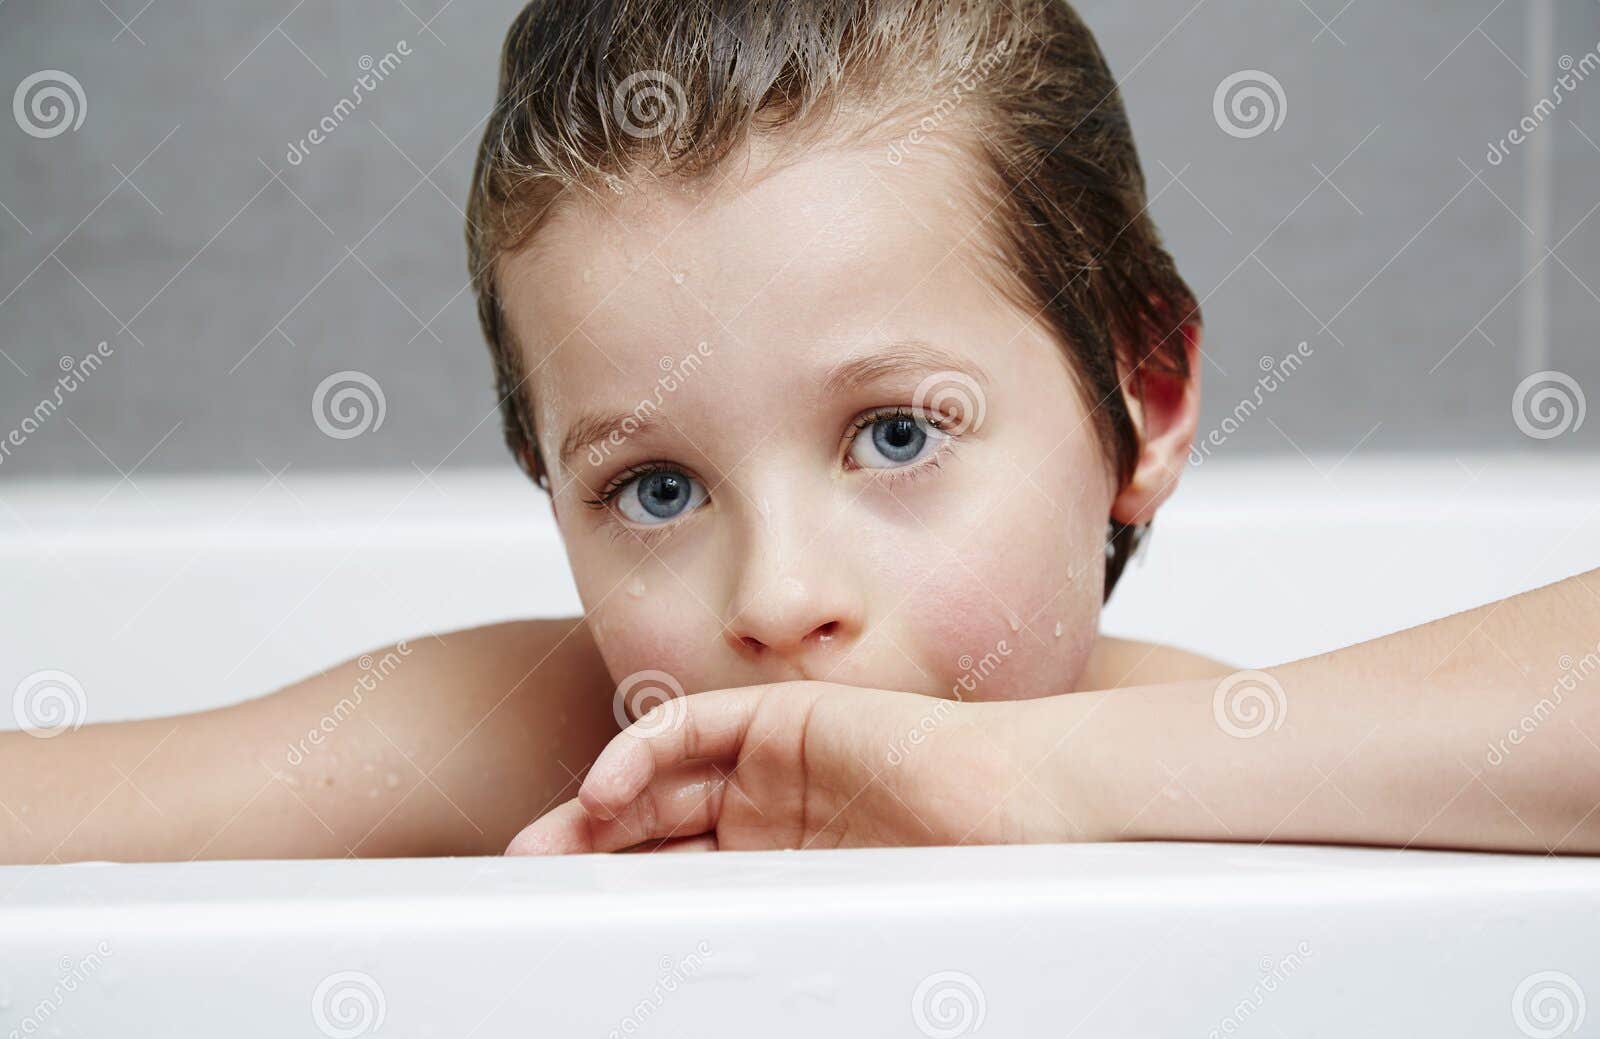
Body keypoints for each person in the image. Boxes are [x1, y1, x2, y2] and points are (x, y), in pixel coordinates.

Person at [3, 0, 1594, 863]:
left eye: (896, 437)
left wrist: (1032, 781)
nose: (774, 598)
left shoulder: (1231, 780)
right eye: (655, 484)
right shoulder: (542, 737)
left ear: (1145, 401)